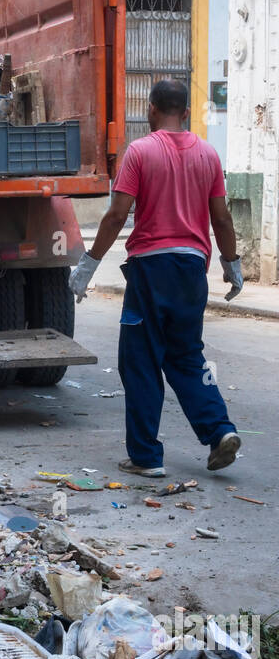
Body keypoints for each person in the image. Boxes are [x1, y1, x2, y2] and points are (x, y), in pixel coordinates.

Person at [69, 79, 243, 478]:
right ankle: (220, 431)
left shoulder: (140, 152)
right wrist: (231, 264)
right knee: (185, 357)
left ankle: (146, 457)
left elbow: (116, 215)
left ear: (150, 109)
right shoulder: (209, 155)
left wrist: (89, 263)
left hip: (152, 269)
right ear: (185, 112)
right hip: (192, 270)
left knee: (141, 360)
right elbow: (222, 217)